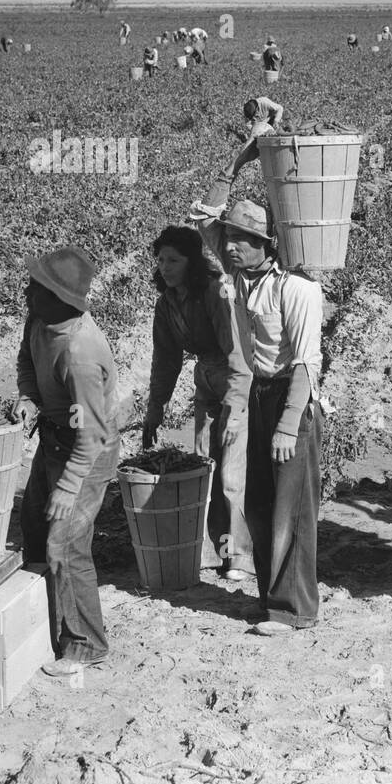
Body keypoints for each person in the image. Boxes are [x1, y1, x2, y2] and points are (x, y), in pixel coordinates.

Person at [188, 156, 325, 637]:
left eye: (240, 240)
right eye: (227, 239)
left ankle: (294, 608)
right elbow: (202, 219)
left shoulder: (298, 290)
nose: (229, 246)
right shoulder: (240, 278)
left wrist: (289, 424)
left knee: (292, 505)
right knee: (261, 501)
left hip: (292, 399)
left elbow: (307, 362)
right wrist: (242, 154)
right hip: (262, 393)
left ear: (265, 246)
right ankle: (272, 599)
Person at [14, 247, 122, 676]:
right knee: (36, 528)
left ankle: (85, 644)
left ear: (62, 299)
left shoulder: (80, 352)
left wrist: (68, 485)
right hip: (56, 438)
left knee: (67, 542)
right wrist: (28, 397)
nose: (27, 292)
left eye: (36, 287)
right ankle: (43, 623)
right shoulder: (39, 319)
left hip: (88, 451)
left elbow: (93, 434)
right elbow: (26, 360)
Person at [143, 226, 254, 582]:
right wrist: (155, 407)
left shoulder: (215, 293)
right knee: (205, 462)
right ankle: (212, 550)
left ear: (192, 262)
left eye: (173, 260)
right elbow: (165, 358)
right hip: (206, 379)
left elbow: (237, 353)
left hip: (234, 378)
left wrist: (236, 409)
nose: (165, 267)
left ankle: (240, 557)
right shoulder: (168, 303)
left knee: (233, 472)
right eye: (160, 260)